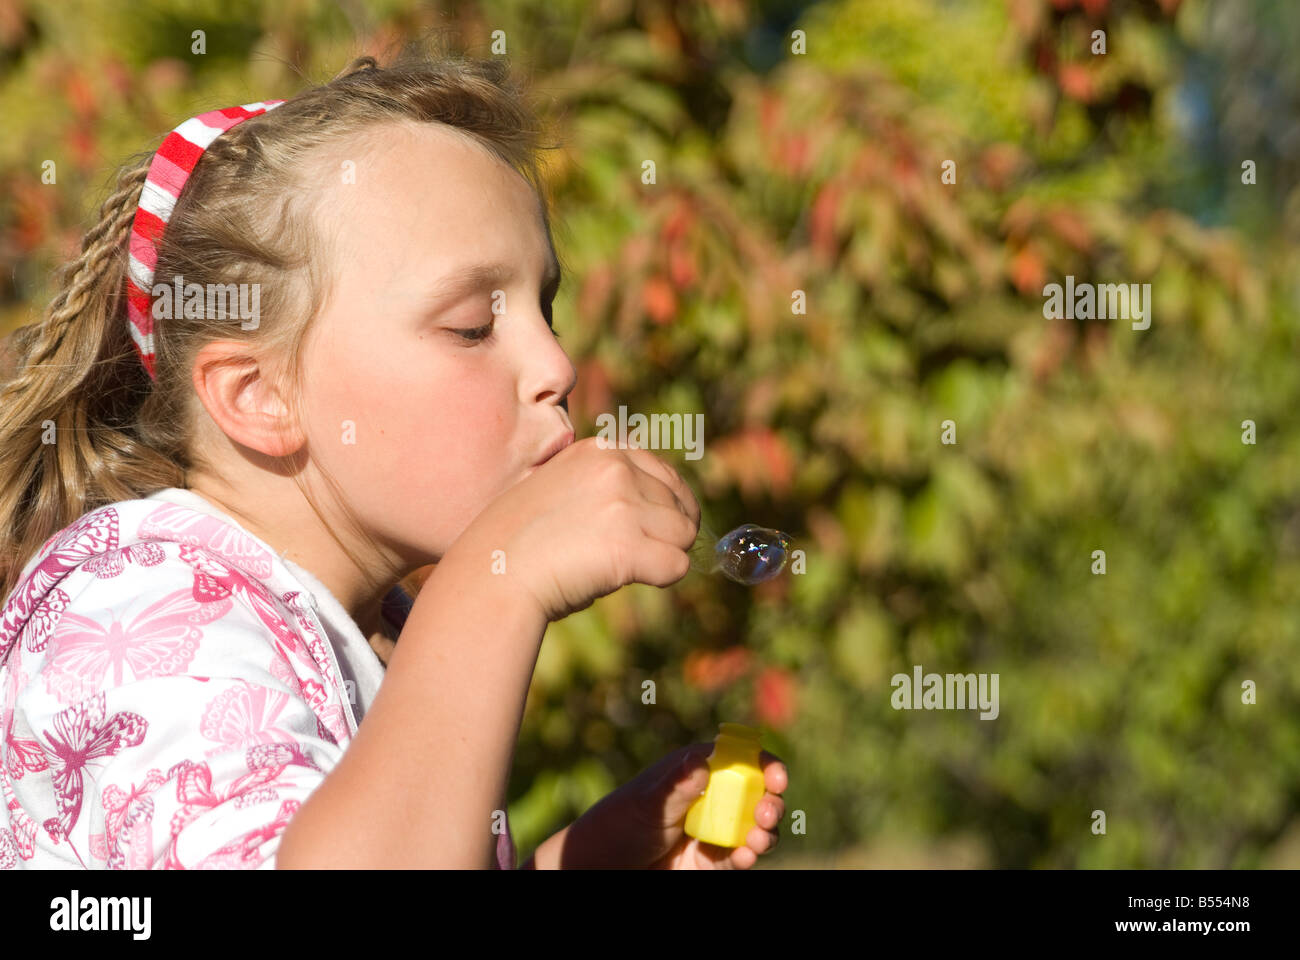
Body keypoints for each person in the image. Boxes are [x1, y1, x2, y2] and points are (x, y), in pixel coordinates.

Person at [0, 50, 787, 869]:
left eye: (544, 310)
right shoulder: (138, 604)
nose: (558, 366)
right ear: (260, 395)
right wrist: (494, 588)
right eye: (472, 328)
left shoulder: (372, 632)